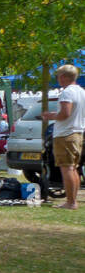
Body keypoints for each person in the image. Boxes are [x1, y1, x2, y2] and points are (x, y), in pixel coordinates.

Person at [46, 64, 84, 209]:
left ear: (63, 77)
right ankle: (73, 200)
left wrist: (51, 116)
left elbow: (65, 114)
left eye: (58, 76)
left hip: (65, 134)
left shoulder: (67, 92)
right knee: (74, 168)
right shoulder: (81, 91)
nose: (57, 79)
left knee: (66, 168)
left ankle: (71, 202)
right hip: (78, 133)